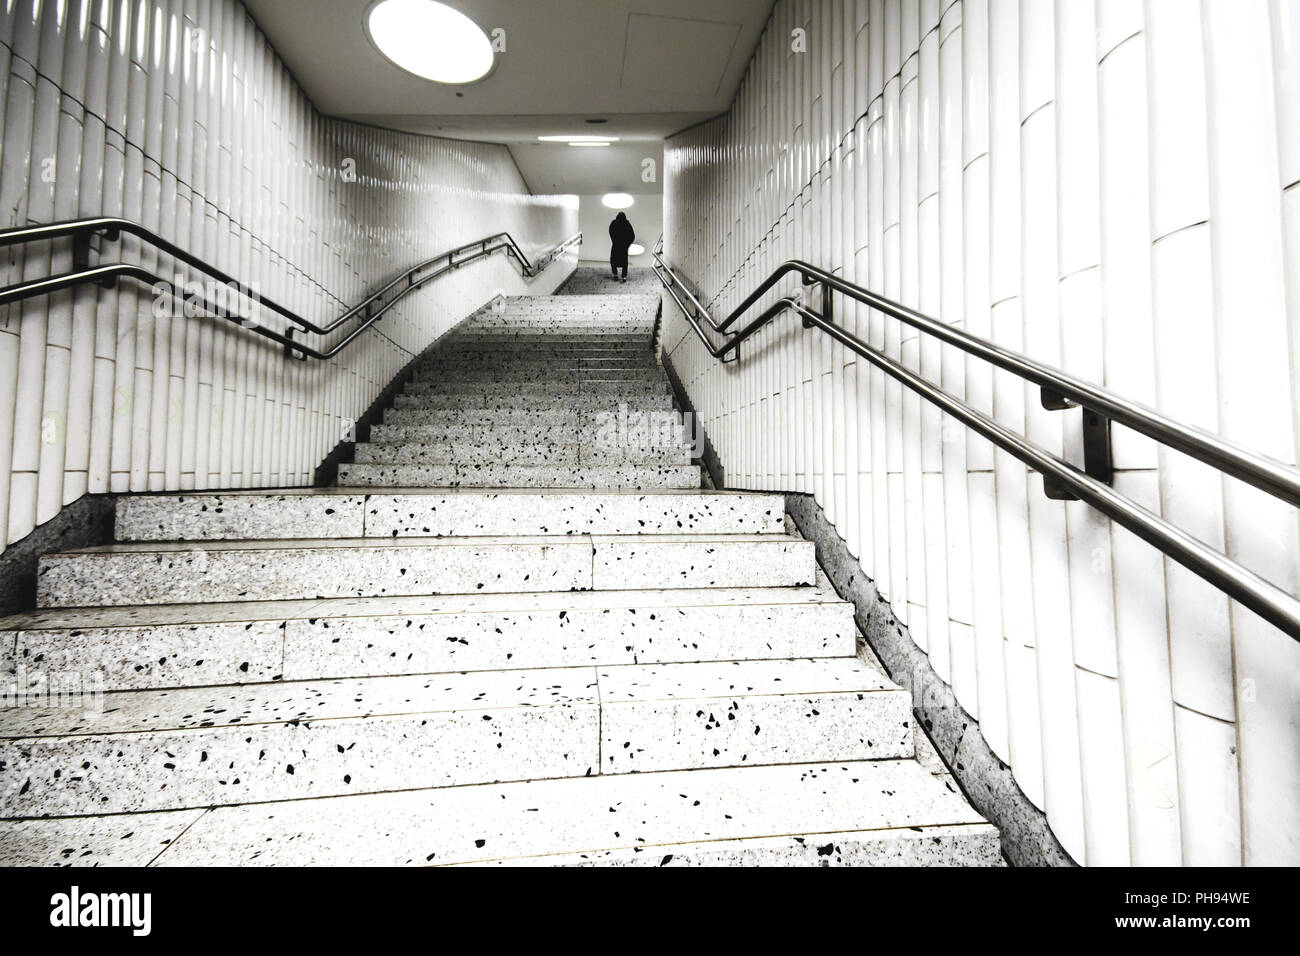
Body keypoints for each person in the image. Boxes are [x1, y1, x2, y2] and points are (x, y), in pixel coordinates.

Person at [608, 211, 634, 282]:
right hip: (624, 246)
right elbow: (632, 235)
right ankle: (624, 276)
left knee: (613, 260)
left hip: (616, 245)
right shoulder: (627, 223)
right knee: (624, 262)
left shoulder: (614, 223)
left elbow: (610, 231)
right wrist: (628, 243)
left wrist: (614, 240)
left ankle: (615, 274)